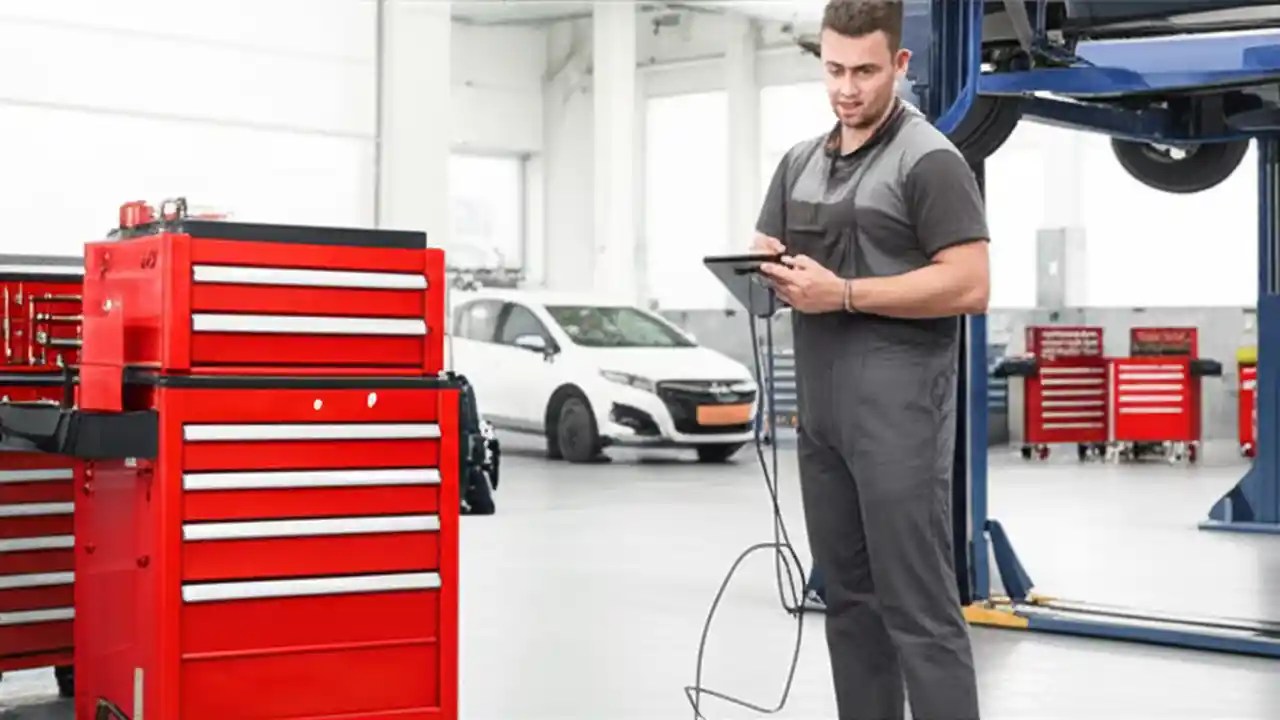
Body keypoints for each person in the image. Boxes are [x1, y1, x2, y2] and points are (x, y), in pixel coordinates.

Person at [752, 1, 990, 719]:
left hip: (900, 418)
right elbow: (763, 251)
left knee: (918, 608)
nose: (847, 88)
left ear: (900, 65)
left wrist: (844, 292)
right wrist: (758, 272)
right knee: (847, 602)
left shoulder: (930, 161)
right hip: (822, 418)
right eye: (833, 69)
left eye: (864, 71)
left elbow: (971, 284)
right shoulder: (798, 161)